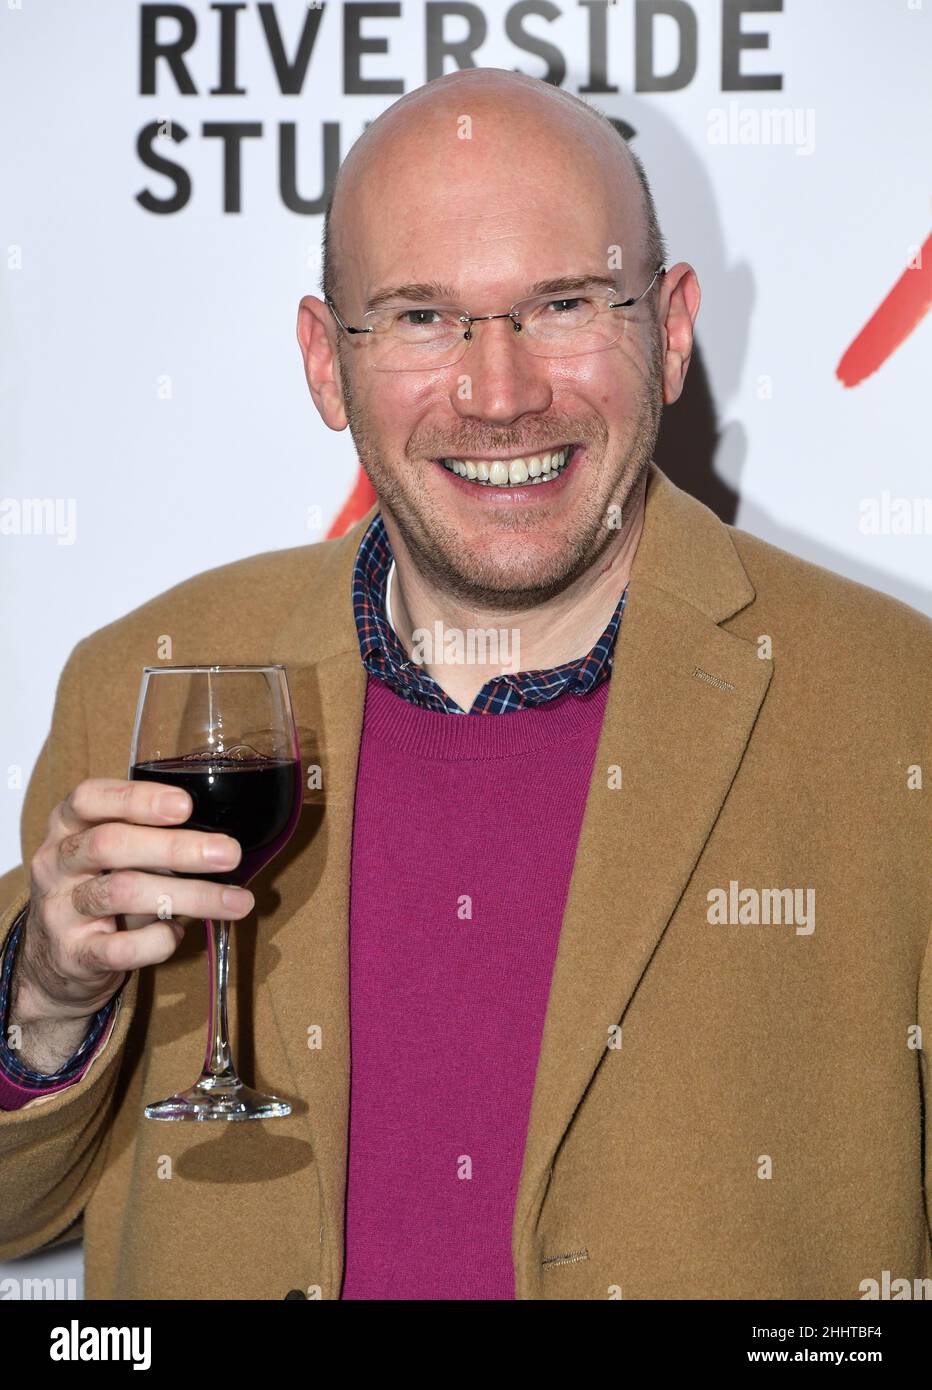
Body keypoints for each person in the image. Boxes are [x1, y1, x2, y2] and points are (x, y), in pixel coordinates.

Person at [0, 68, 929, 1302]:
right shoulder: (153, 684)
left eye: (561, 303)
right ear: (327, 365)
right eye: (423, 319)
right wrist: (46, 1005)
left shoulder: (893, 706)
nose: (500, 395)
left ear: (671, 331)